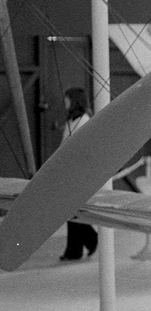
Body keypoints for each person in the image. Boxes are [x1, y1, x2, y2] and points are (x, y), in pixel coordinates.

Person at [59, 87, 98, 261]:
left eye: (67, 98)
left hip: (79, 172)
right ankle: (84, 243)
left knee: (73, 211)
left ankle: (78, 248)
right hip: (69, 172)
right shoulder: (71, 121)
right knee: (71, 211)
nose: (65, 101)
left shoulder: (84, 120)